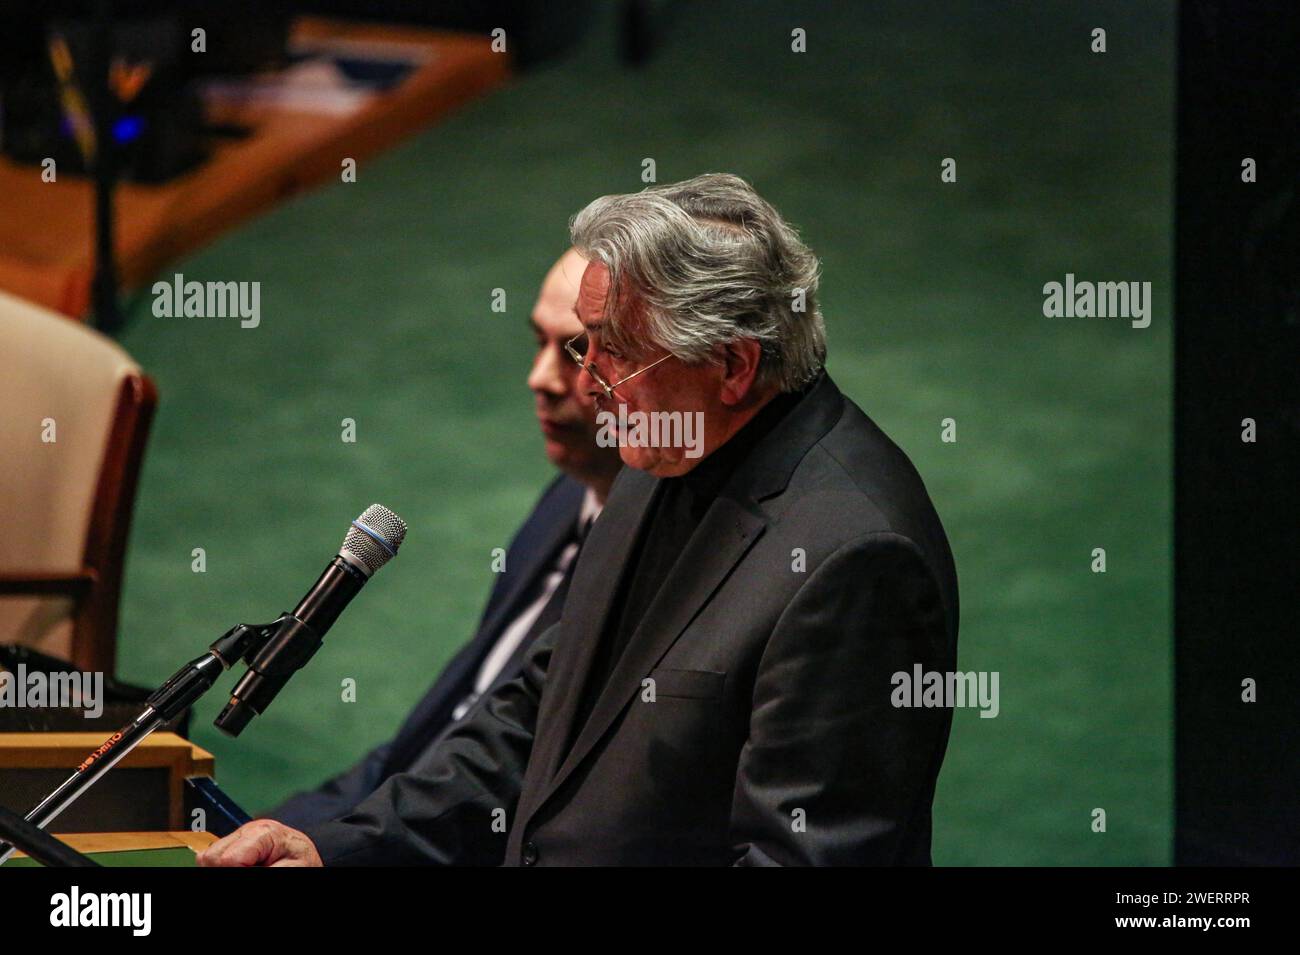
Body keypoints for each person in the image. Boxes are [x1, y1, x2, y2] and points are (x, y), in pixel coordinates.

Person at [200, 173, 960, 866]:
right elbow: (536, 718)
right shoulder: (658, 450)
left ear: (732, 366)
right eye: (581, 344)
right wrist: (338, 852)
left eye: (617, 353)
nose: (589, 383)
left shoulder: (856, 562)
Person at [265, 248, 622, 830]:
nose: (540, 380)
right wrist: (293, 825)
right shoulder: (566, 497)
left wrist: (332, 848)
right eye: (539, 343)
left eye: (576, 351)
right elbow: (436, 735)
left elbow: (504, 779)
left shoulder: (653, 562)